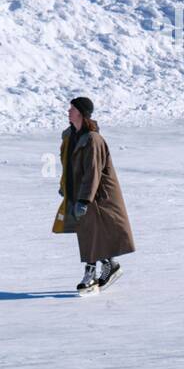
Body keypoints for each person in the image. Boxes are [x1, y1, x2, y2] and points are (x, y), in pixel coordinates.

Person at [54, 97, 136, 294]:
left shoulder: (93, 139)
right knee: (88, 233)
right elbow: (69, 166)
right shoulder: (70, 136)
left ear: (81, 113)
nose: (68, 111)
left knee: (92, 233)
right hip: (79, 192)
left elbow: (93, 173)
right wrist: (65, 187)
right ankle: (107, 266)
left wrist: (84, 199)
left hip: (97, 196)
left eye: (72, 109)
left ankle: (93, 272)